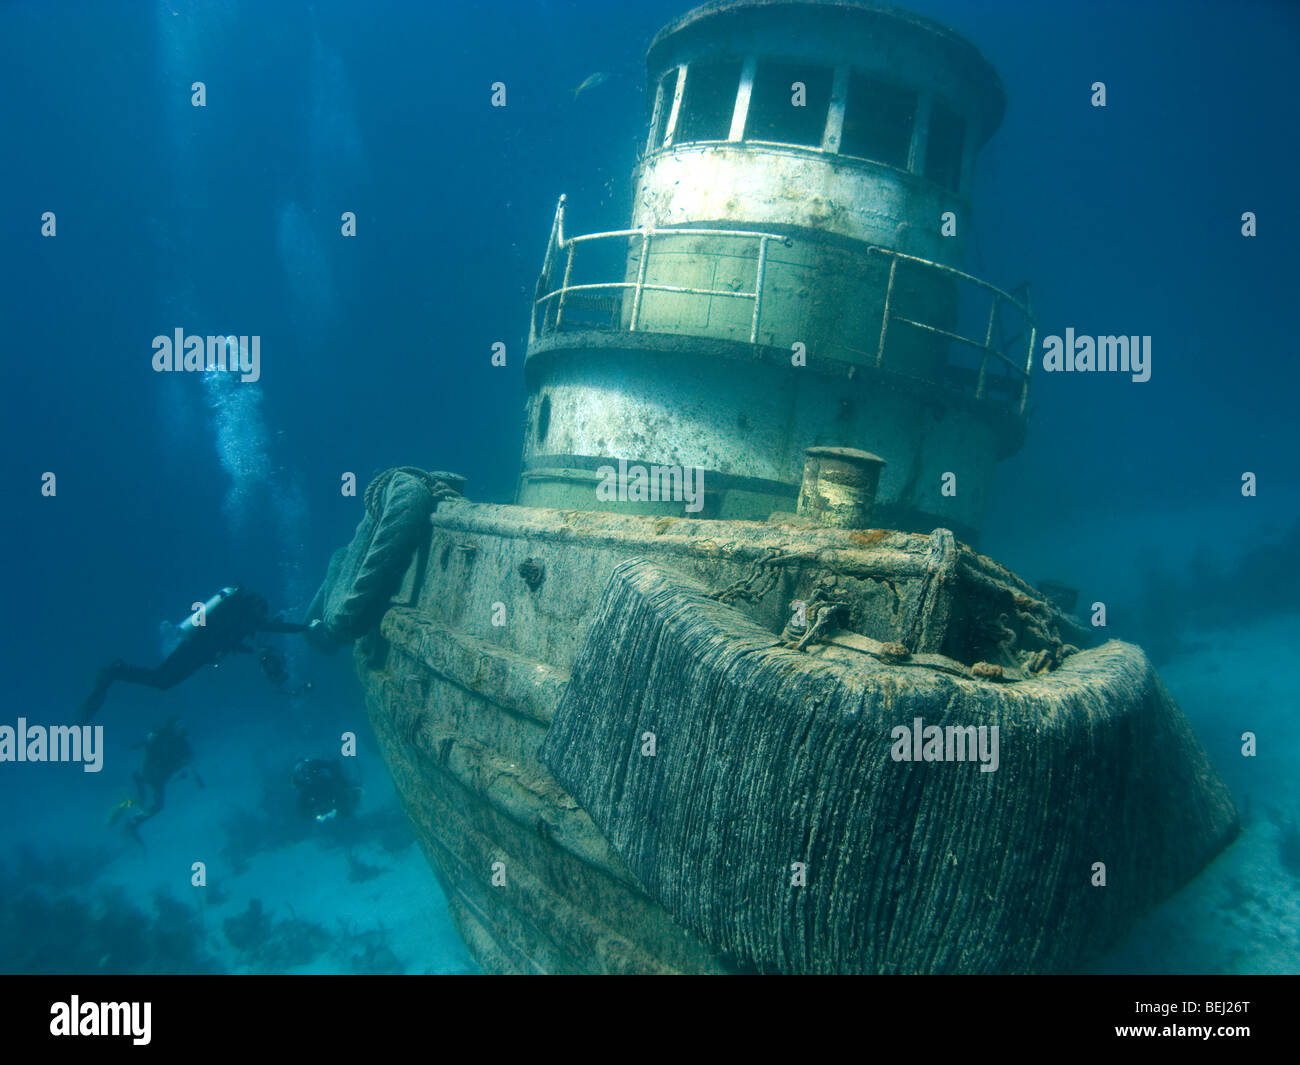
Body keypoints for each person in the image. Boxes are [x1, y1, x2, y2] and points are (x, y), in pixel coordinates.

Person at [80, 586, 309, 721]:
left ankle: (117, 672)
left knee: (162, 682)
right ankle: (116, 671)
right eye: (262, 612)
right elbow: (275, 627)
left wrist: (252, 649)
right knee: (161, 680)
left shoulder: (237, 620)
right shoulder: (241, 615)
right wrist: (307, 627)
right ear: (255, 607)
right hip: (193, 652)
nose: (262, 617)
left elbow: (229, 643)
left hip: (197, 654)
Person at [106, 717, 203, 842]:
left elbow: (186, 764)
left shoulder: (184, 744)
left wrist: (180, 774)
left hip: (159, 779)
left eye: (182, 724)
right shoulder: (162, 736)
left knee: (158, 806)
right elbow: (146, 744)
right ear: (172, 726)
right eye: (178, 724)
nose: (181, 727)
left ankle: (133, 823)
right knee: (140, 800)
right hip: (147, 774)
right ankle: (124, 815)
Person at [292, 758, 361, 822]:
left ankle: (346, 811)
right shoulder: (303, 775)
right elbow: (296, 784)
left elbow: (331, 769)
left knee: (338, 798)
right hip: (318, 791)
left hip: (325, 786)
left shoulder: (314, 765)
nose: (303, 769)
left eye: (301, 767)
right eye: (299, 768)